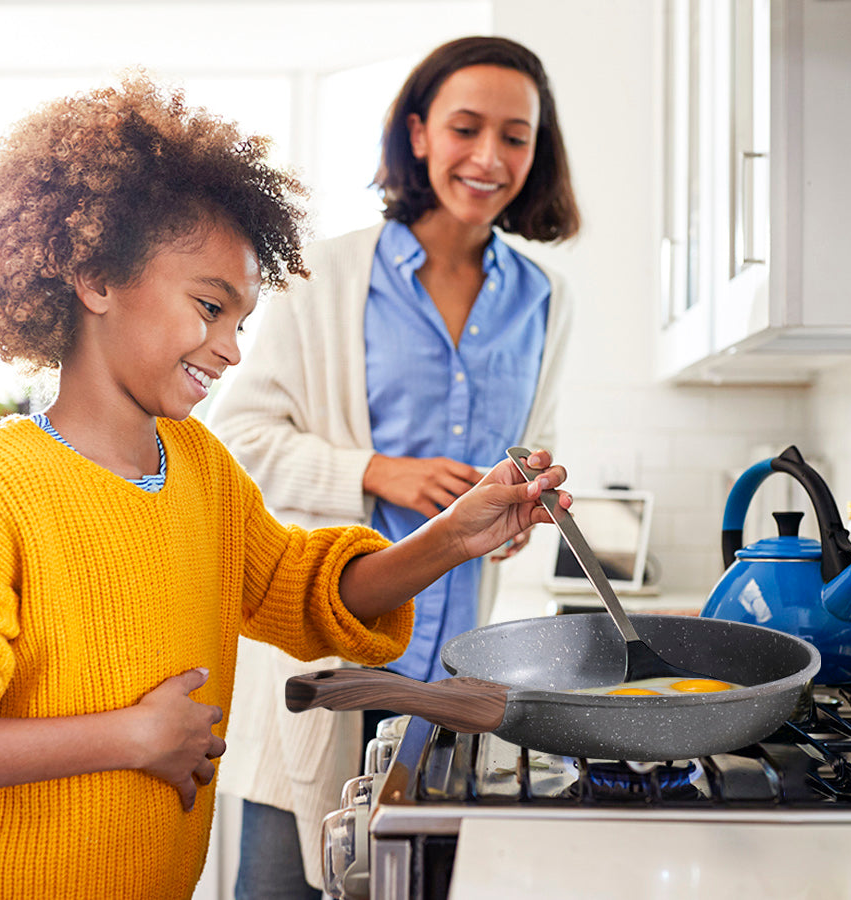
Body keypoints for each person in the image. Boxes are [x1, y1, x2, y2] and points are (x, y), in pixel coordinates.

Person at [0, 72, 570, 900]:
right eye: (208, 307)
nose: (231, 349)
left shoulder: (197, 466)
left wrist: (455, 536)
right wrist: (131, 737)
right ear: (97, 278)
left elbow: (308, 590)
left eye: (240, 320)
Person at [207, 36, 580, 898]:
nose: (489, 158)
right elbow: (238, 439)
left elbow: (535, 444)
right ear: (418, 134)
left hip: (457, 680)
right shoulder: (324, 275)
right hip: (325, 669)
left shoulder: (546, 300)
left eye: (515, 136)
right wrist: (376, 471)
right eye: (465, 127)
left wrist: (522, 508)